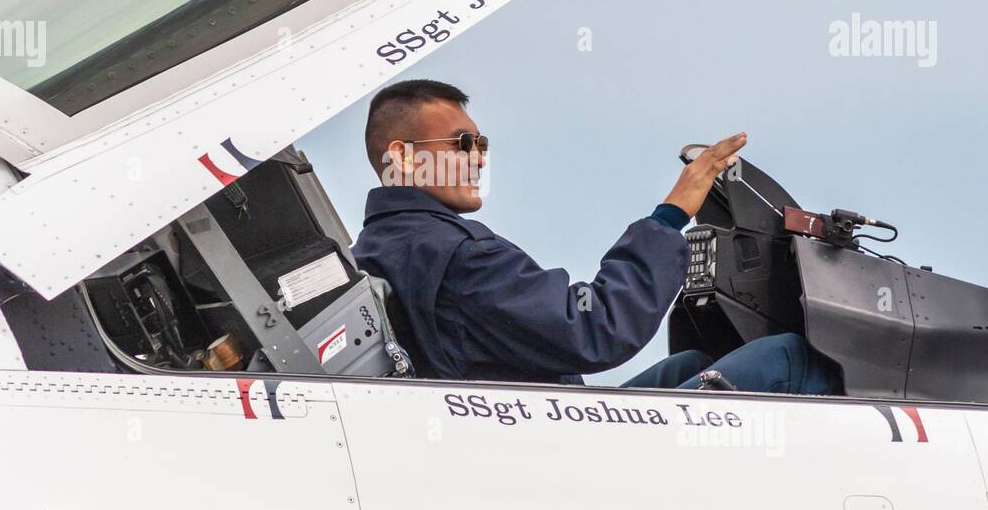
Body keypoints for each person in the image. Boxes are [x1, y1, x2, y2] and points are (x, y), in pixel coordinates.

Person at [351, 79, 839, 394]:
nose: (479, 157)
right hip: (551, 452)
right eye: (463, 143)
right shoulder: (455, 254)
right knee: (791, 359)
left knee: (694, 361)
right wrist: (671, 216)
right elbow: (594, 329)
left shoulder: (379, 246)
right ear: (407, 155)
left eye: (482, 144)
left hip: (516, 425)